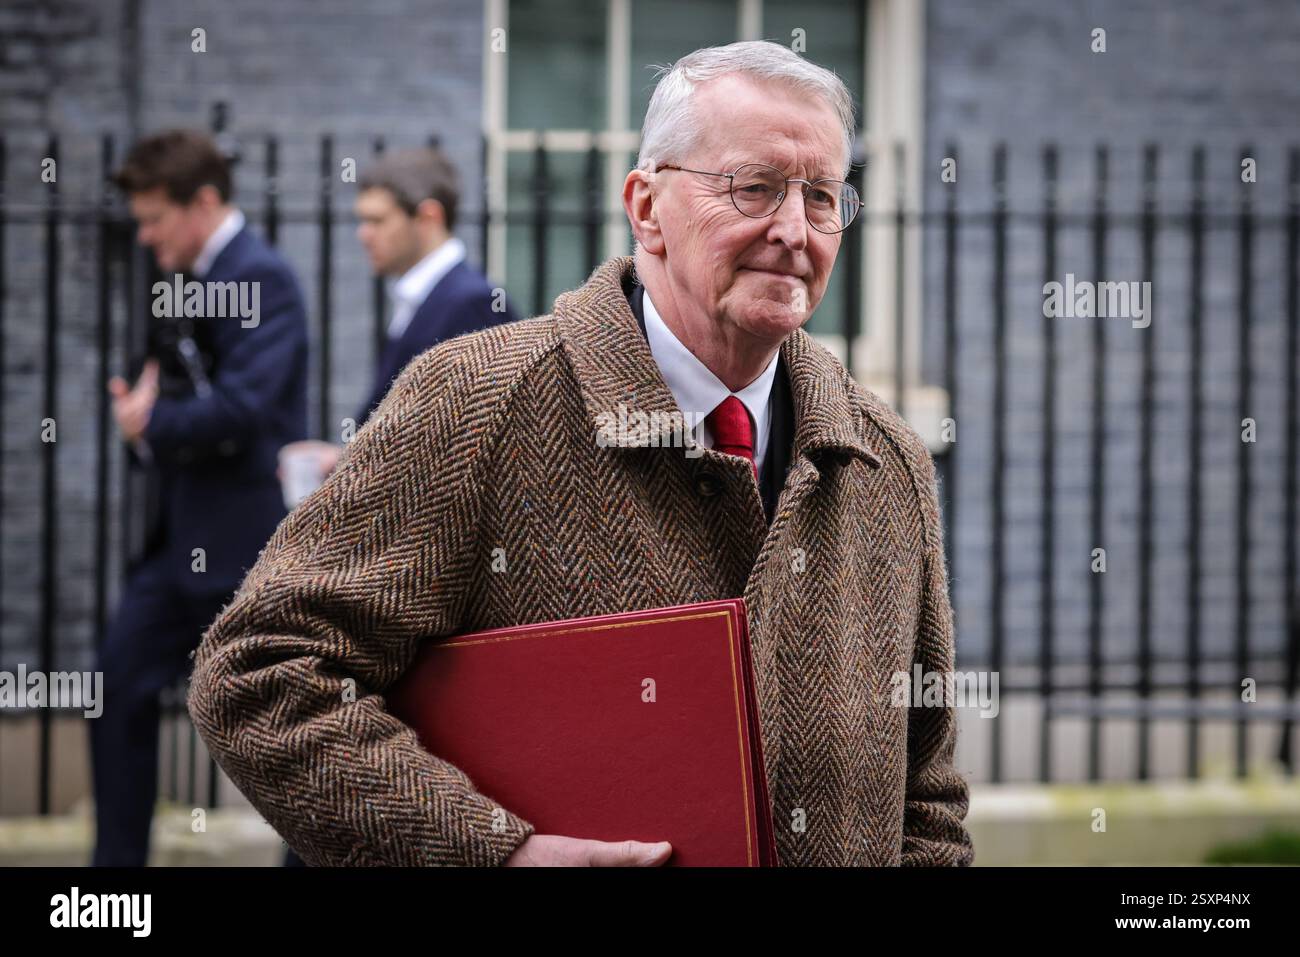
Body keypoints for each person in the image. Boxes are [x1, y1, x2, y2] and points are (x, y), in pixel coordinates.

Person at [188, 40, 974, 867]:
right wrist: (496, 853)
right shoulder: (476, 400)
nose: (792, 229)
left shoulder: (886, 458)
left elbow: (926, 794)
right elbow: (261, 672)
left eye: (822, 197)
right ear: (645, 207)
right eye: (755, 187)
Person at [92, 129, 309, 866]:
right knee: (116, 688)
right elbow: (152, 389)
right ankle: (112, 880)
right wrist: (141, 421)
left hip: (242, 542)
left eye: (156, 218)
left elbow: (247, 409)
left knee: (280, 721)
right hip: (170, 543)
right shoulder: (179, 279)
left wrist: (155, 421)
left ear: (205, 201)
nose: (146, 236)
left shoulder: (265, 278)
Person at [278, 147, 518, 483]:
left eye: (376, 220)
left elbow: (459, 441)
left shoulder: (470, 301)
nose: (363, 234)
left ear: (429, 218)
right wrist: (342, 457)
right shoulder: (427, 295)